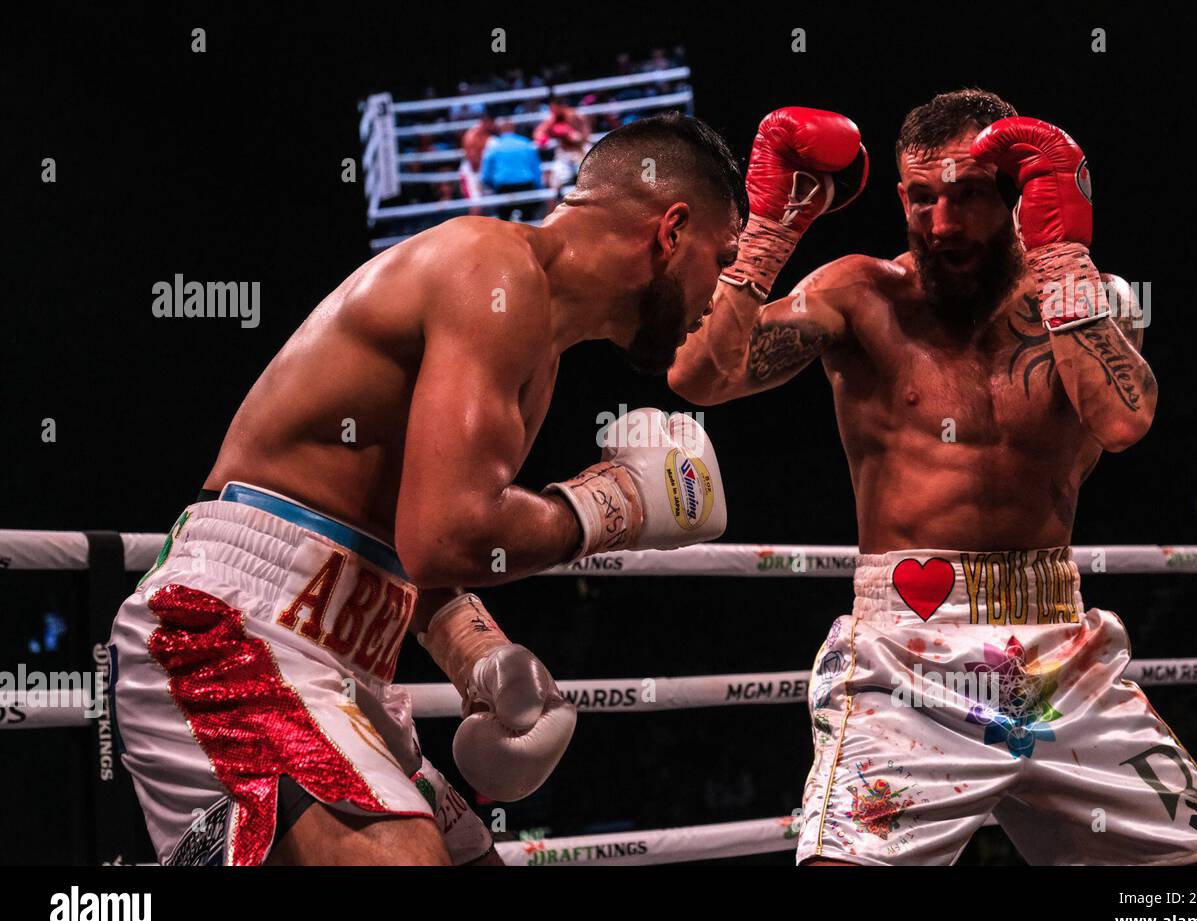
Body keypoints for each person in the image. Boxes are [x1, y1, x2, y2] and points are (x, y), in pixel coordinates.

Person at [109, 112, 744, 866]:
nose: (719, 296)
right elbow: (450, 534)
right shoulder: (489, 265)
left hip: (345, 662)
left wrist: (479, 655)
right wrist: (618, 504)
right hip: (233, 627)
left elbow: (412, 541)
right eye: (724, 259)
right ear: (671, 231)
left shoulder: (538, 353)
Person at [669, 94, 1197, 865]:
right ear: (899, 195)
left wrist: (1061, 258)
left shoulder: (1090, 299)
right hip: (904, 655)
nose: (943, 223)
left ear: (1018, 195)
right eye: (922, 197)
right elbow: (700, 377)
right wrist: (767, 239)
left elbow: (1122, 421)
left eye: (969, 195)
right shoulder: (858, 294)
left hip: (1062, 656)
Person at [480, 120, 545, 221]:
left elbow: (485, 176)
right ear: (514, 129)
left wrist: (494, 187)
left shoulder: (494, 147)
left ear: (500, 130)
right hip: (526, 187)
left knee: (504, 224)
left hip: (503, 189)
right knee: (528, 223)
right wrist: (537, 188)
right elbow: (537, 171)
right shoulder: (526, 144)